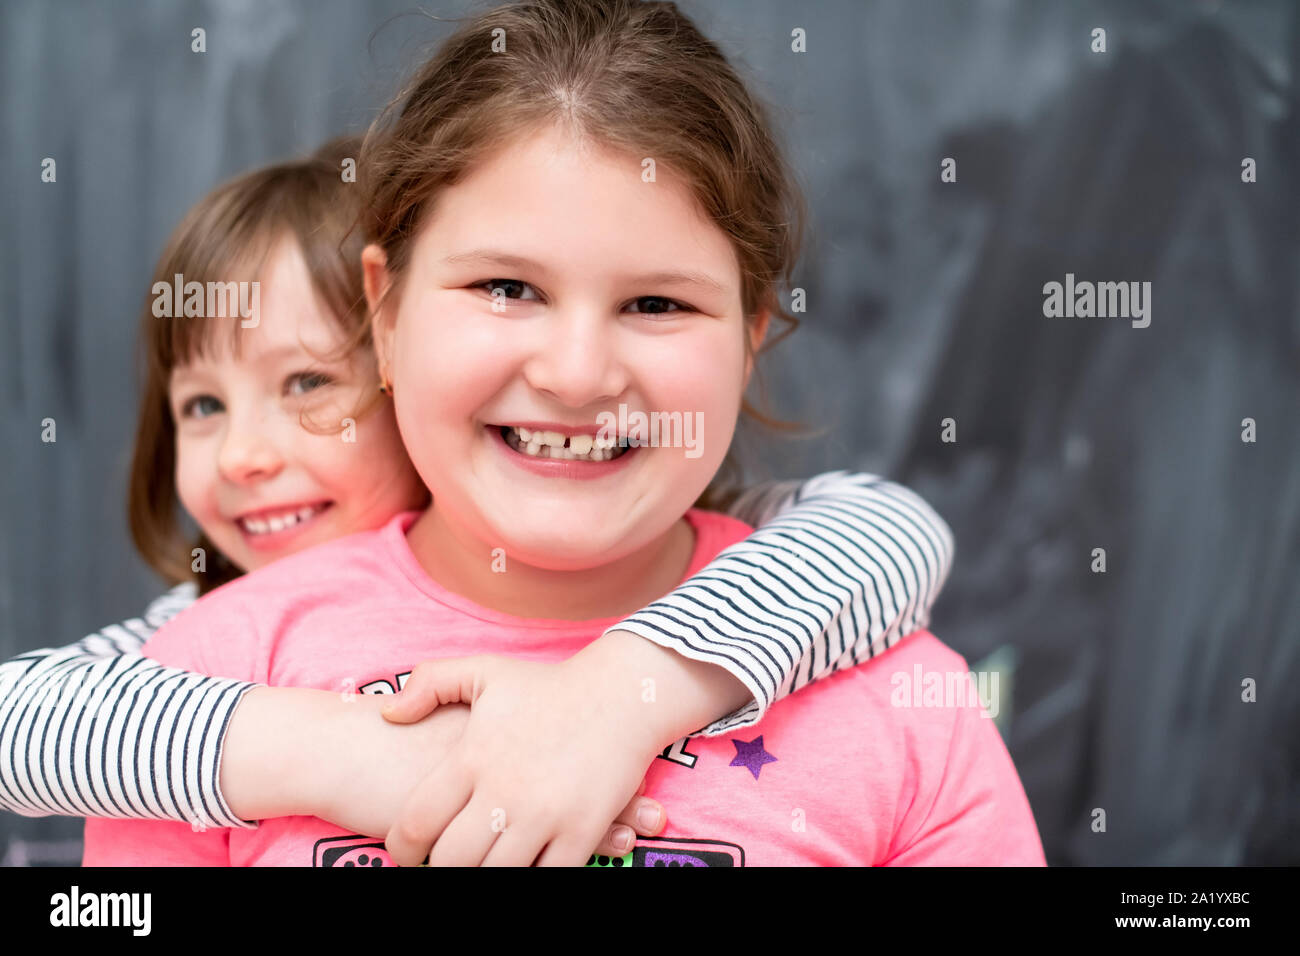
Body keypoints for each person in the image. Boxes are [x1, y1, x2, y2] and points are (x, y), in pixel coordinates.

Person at [81, 0, 1040, 866]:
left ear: (750, 339)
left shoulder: (903, 699)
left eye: (657, 302)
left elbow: (894, 532)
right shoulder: (206, 681)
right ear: (387, 311)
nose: (577, 375)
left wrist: (628, 692)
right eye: (506, 288)